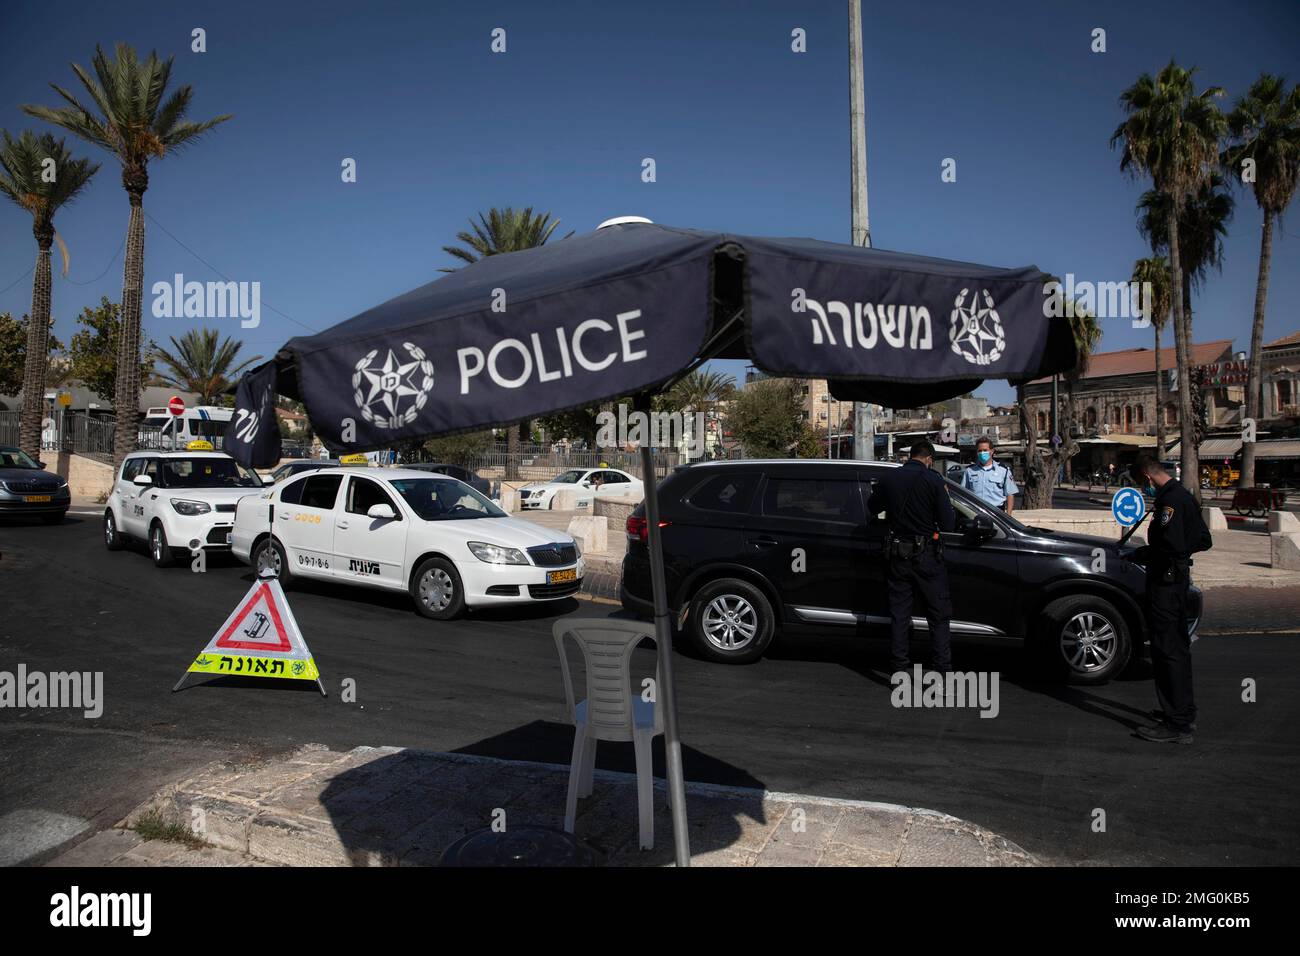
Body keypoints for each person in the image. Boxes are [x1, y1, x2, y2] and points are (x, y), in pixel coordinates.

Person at [1129, 454, 1213, 744]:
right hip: (1177, 582)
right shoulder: (1183, 496)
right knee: (1178, 649)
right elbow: (1203, 539)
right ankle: (1182, 711)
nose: (1144, 488)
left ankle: (1176, 723)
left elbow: (1170, 544)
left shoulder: (1169, 503)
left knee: (1166, 651)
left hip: (1165, 584)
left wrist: (1145, 553)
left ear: (1148, 478)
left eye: (1143, 484)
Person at [868, 439, 957, 674]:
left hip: (897, 554)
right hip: (926, 554)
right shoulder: (933, 480)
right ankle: (941, 672)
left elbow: (872, 507)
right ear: (929, 459)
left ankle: (898, 671)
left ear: (911, 456)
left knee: (899, 615)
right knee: (938, 616)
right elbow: (948, 522)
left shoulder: (890, 479)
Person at [960, 437, 1018, 512]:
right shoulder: (970, 471)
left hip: (996, 512)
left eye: (985, 450)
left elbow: (1010, 494)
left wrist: (1009, 515)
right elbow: (964, 493)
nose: (982, 453)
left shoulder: (1003, 471)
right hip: (975, 511)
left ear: (992, 451)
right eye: (979, 451)